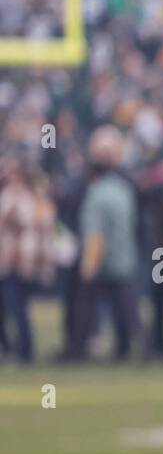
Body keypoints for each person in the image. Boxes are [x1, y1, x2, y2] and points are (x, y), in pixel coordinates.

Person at [69, 128, 142, 362]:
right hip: (123, 257)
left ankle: (77, 350)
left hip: (101, 258)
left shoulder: (96, 193)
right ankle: (140, 349)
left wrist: (89, 265)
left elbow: (94, 232)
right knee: (128, 311)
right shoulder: (125, 189)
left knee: (86, 307)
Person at [0, 157, 56, 364]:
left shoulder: (19, 198)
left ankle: (22, 350)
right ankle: (18, 348)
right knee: (16, 307)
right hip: (22, 262)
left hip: (15, 261)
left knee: (16, 308)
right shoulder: (37, 199)